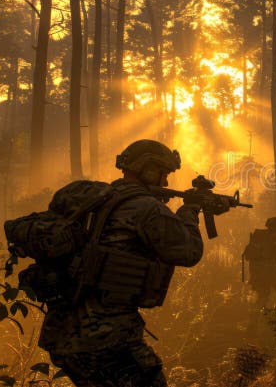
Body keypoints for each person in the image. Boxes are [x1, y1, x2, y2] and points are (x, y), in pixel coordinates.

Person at [36, 139, 210, 386]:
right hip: (108, 336)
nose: (166, 183)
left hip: (62, 332)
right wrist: (189, 211)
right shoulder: (147, 208)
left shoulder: (98, 199)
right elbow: (189, 253)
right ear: (148, 169)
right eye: (164, 174)